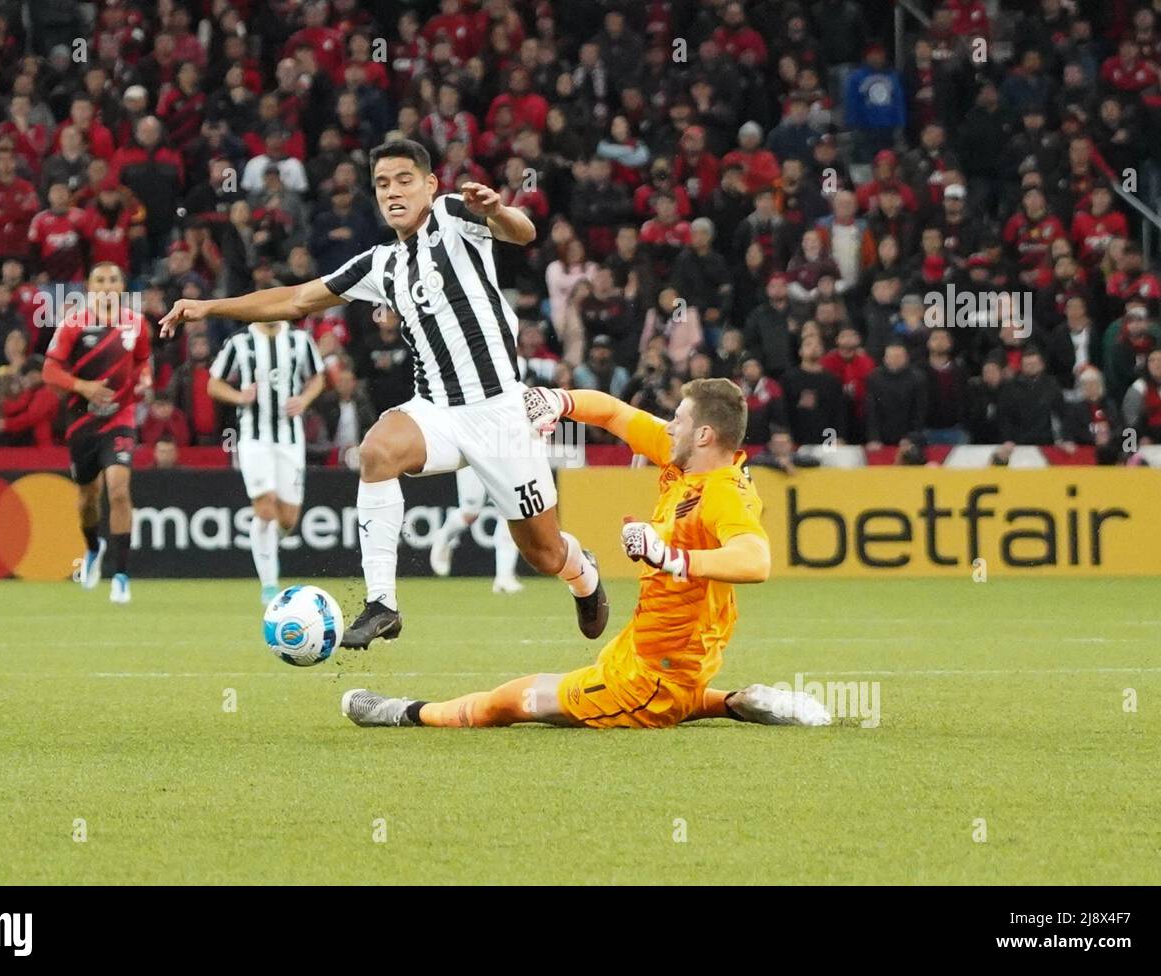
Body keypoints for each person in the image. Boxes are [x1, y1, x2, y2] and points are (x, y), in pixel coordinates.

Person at [160, 139, 608, 649]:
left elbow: (524, 234)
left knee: (544, 554)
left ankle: (584, 576)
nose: (392, 191)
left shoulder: (455, 214)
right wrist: (209, 307)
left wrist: (499, 209)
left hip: (500, 412)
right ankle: (382, 604)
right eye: (382, 184)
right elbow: (295, 299)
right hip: (435, 410)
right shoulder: (379, 264)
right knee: (375, 451)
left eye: (403, 179)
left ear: (429, 185)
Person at [341, 379, 831, 730]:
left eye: (678, 421)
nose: (668, 427)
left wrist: (673, 558)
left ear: (705, 435)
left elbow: (755, 560)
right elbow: (614, 413)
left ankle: (399, 712)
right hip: (649, 655)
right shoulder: (683, 457)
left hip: (652, 677)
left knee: (512, 702)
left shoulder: (724, 492)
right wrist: (560, 400)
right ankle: (739, 702)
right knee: (665, 693)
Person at [42, 262, 152, 604]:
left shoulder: (136, 323)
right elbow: (49, 370)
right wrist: (83, 387)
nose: (107, 285)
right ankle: (93, 548)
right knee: (88, 500)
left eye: (113, 279)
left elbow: (144, 360)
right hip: (81, 421)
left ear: (122, 286)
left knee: (118, 490)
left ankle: (121, 576)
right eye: (100, 280)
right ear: (90, 287)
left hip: (121, 417)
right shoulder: (74, 323)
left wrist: (146, 379)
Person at [208, 319, 325, 603]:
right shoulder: (239, 342)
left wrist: (305, 399)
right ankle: (269, 585)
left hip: (290, 439)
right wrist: (239, 396)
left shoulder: (299, 339)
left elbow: (318, 377)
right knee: (265, 508)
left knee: (288, 519)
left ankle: (268, 548)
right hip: (253, 437)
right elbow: (213, 384)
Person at [430, 466, 523, 594]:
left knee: (510, 511)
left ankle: (504, 577)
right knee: (469, 513)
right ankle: (444, 536)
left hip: (504, 457)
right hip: (473, 455)